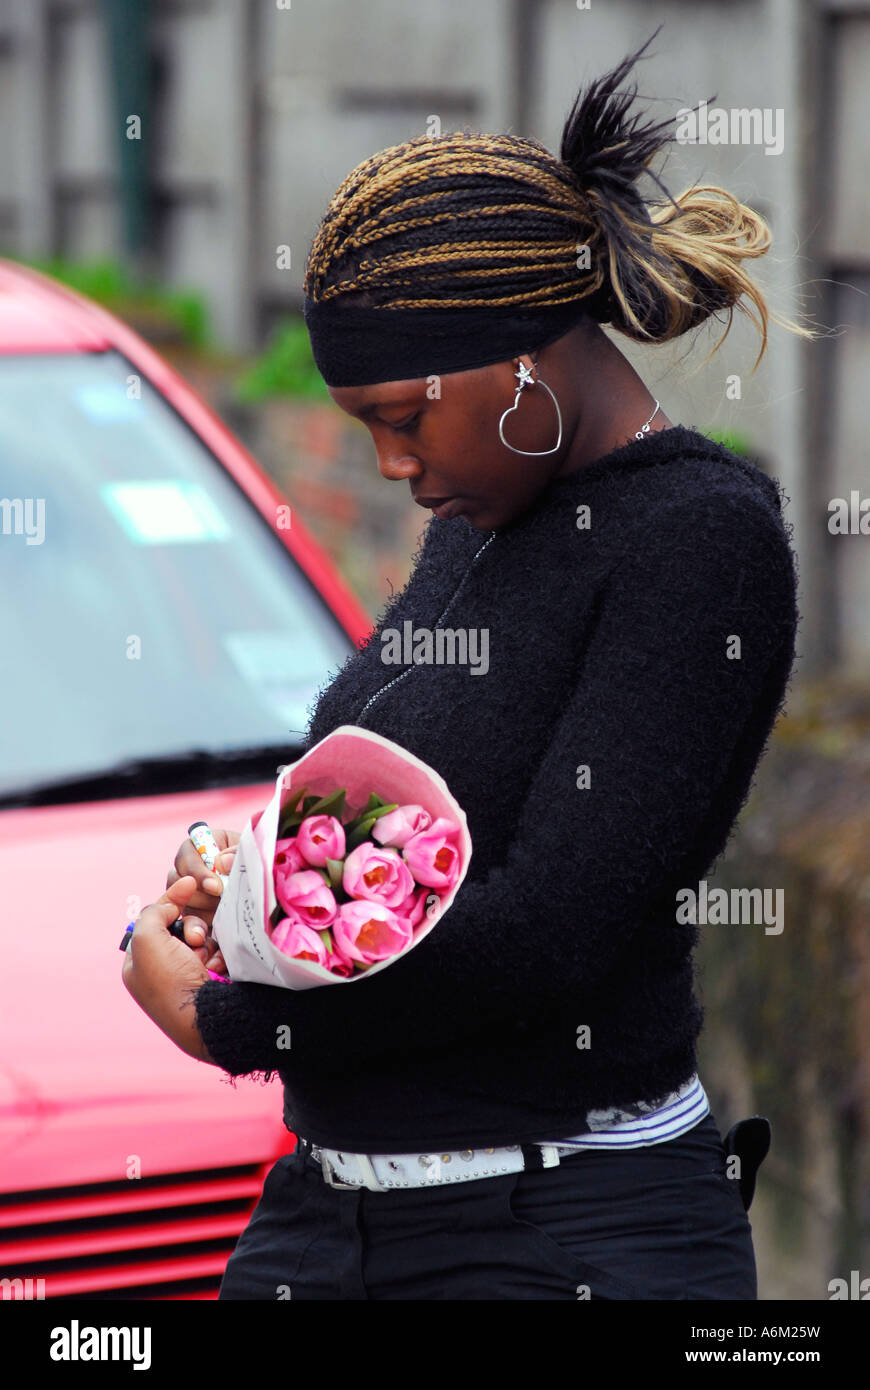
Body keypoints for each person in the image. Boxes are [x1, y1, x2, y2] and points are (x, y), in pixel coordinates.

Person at [122, 33, 811, 1300]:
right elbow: (400, 833)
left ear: (530, 356)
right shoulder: (479, 518)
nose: (393, 466)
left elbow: (549, 930)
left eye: (402, 416)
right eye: (364, 427)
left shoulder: (700, 541)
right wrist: (252, 897)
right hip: (334, 1209)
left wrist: (229, 1025)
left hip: (562, 1229)